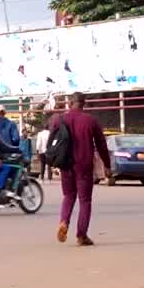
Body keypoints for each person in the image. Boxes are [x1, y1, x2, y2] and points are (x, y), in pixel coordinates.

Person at [52, 91, 112, 247]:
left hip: (65, 163)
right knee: (85, 200)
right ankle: (81, 235)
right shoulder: (90, 121)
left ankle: (64, 222)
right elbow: (101, 145)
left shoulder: (59, 119)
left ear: (70, 103)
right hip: (84, 164)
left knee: (68, 196)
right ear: (84, 104)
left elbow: (52, 141)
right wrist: (107, 165)